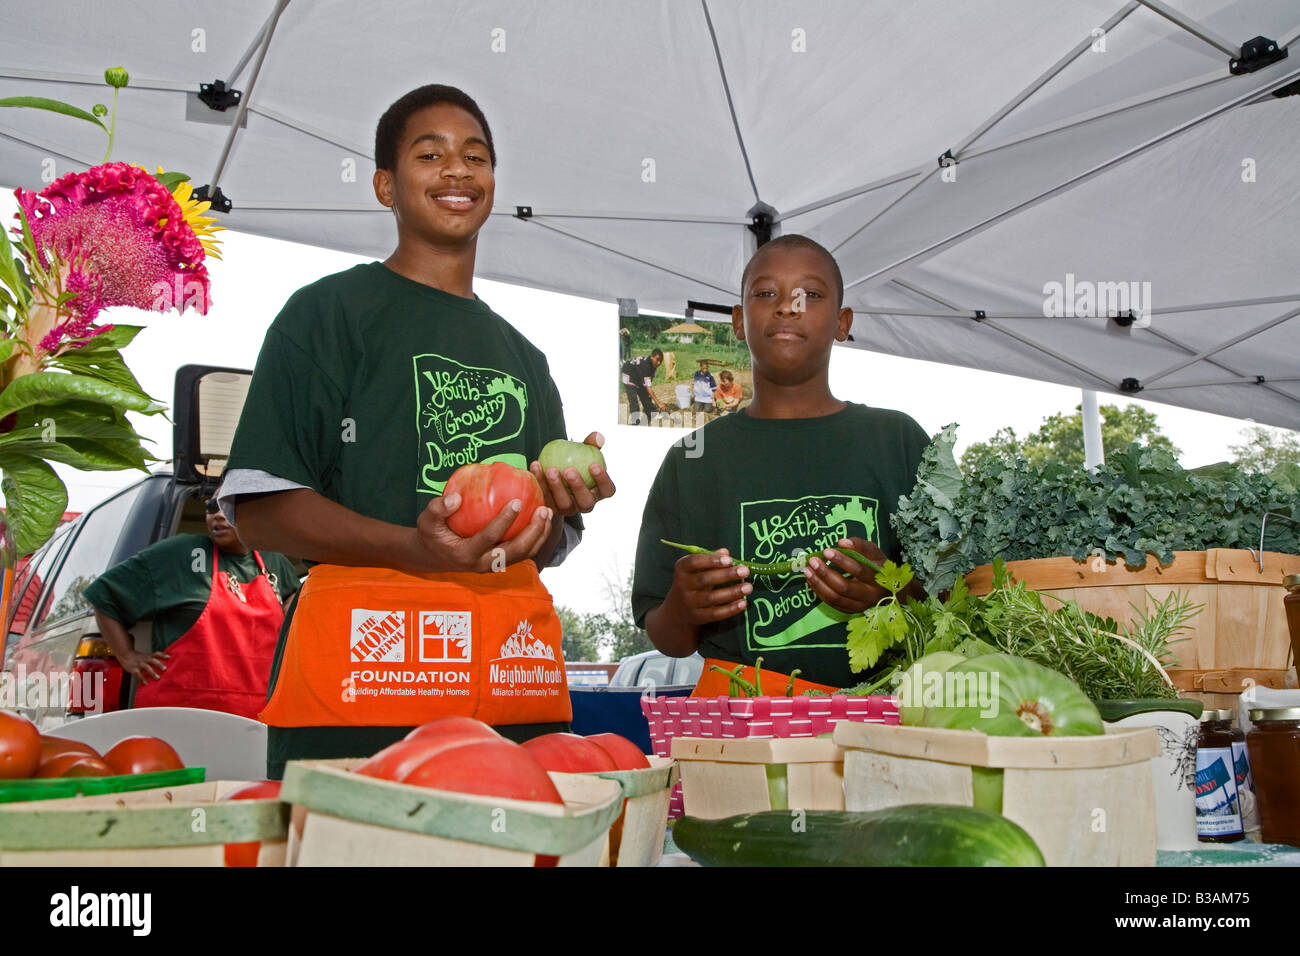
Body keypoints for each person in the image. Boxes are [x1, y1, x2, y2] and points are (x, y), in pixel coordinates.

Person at [217, 84, 614, 778]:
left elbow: (547, 544)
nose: (457, 171)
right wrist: (415, 548)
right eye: (430, 155)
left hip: (511, 700)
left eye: (476, 156)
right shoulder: (327, 315)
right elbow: (260, 510)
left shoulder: (526, 357)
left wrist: (560, 507)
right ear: (384, 185)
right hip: (365, 694)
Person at [632, 235, 928, 689]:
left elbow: (959, 601)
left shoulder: (898, 440)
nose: (787, 306)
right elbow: (667, 636)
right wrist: (681, 607)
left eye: (810, 294)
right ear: (737, 321)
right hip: (738, 729)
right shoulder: (692, 459)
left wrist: (894, 594)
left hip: (878, 726)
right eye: (766, 293)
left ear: (842, 322)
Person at [85, 498, 301, 719]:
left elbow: (293, 601)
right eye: (211, 507)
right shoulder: (179, 553)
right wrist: (126, 655)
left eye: (228, 505)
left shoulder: (274, 561)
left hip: (256, 716)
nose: (217, 514)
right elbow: (103, 594)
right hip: (181, 712)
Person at [621, 348, 665, 424]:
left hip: (637, 374)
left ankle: (651, 413)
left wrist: (647, 392)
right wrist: (659, 403)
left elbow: (649, 383)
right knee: (633, 400)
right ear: (652, 357)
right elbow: (649, 389)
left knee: (645, 394)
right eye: (657, 359)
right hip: (628, 373)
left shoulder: (653, 366)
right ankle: (635, 421)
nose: (658, 363)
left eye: (660, 361)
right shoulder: (646, 366)